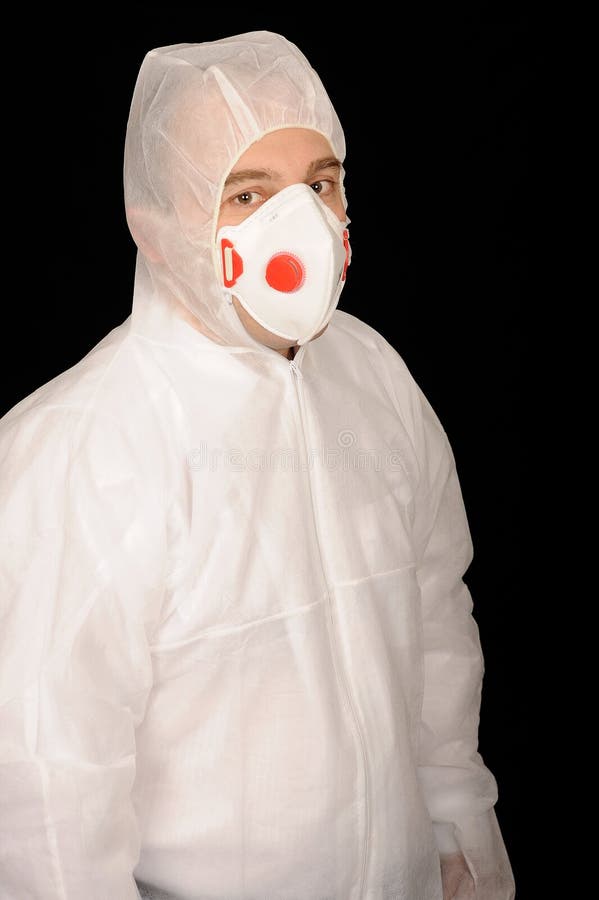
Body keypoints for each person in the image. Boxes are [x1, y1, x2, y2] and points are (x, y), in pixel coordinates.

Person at [0, 30, 516, 900]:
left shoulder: (372, 376)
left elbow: (434, 623)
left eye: (320, 184)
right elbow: (46, 785)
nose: (301, 223)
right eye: (247, 194)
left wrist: (456, 821)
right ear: (158, 230)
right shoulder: (85, 445)